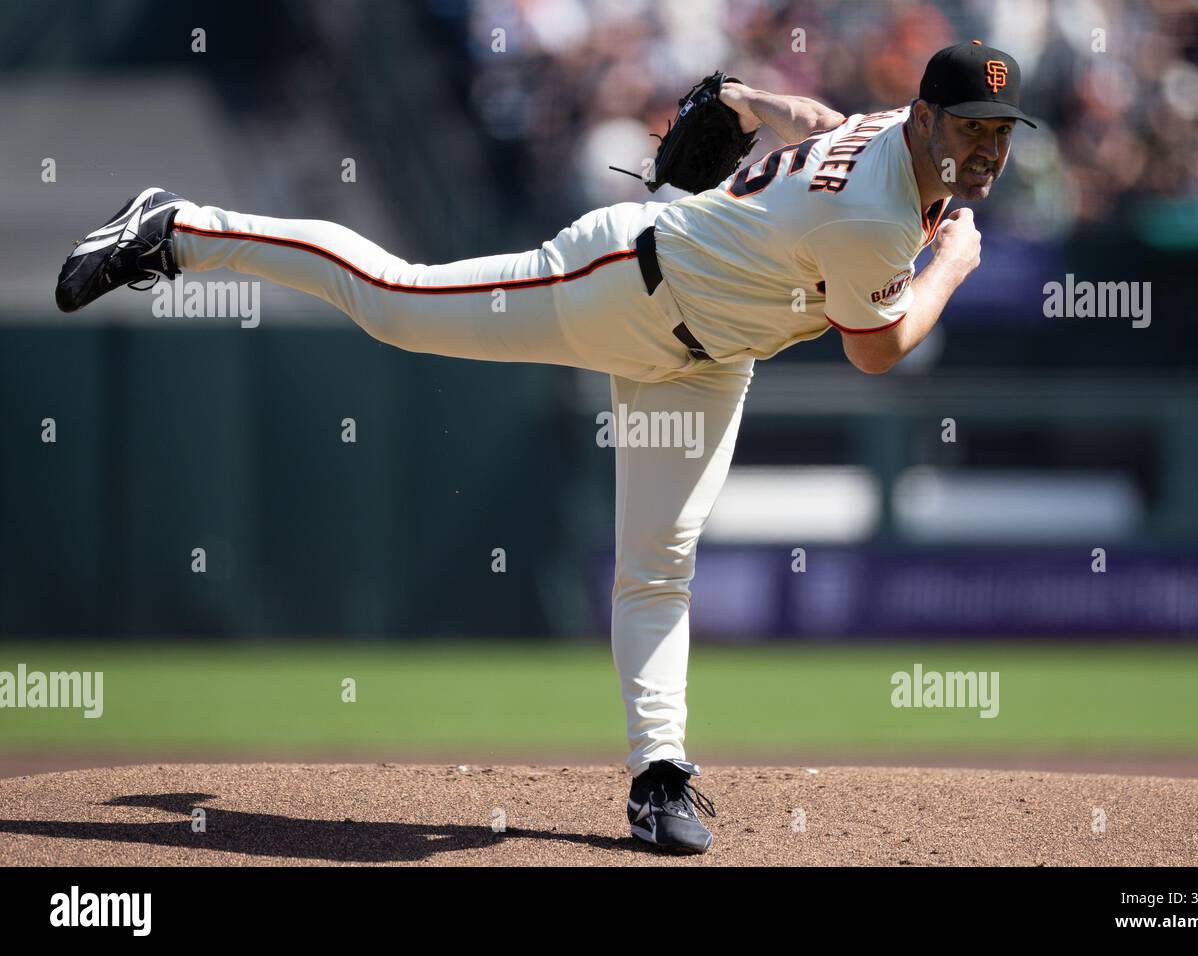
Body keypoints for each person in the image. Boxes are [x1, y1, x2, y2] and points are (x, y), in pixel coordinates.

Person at [54, 41, 1034, 854]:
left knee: (660, 565)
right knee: (396, 300)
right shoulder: (877, 212)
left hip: (705, 357)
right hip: (621, 282)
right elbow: (876, 349)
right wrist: (949, 264)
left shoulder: (893, 151)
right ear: (921, 117)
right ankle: (180, 228)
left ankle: (659, 777)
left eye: (999, 131)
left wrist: (743, 95)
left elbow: (818, 120)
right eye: (968, 126)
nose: (986, 148)